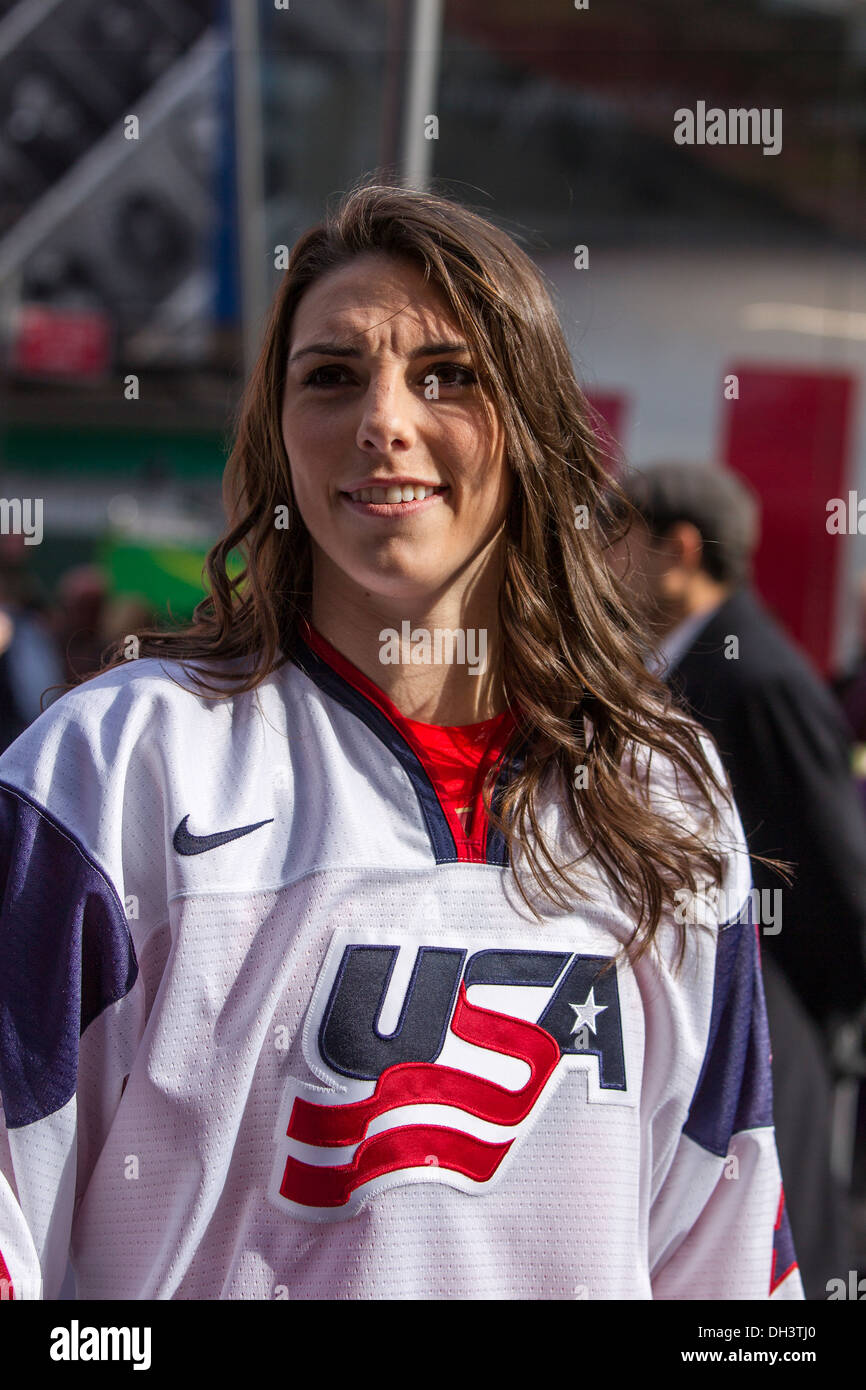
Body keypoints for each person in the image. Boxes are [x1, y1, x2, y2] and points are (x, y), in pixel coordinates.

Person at [0, 181, 802, 1301]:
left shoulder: (664, 795)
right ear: (277, 435)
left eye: (447, 377)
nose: (384, 419)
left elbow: (724, 1265)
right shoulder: (111, 768)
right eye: (330, 376)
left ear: (529, 430)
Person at [609, 459, 865, 1297]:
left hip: (767, 1032)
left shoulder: (757, 677)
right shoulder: (688, 666)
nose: (603, 564)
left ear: (679, 550)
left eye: (620, 540)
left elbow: (842, 884)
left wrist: (798, 1020)